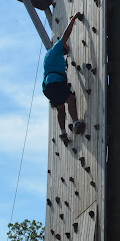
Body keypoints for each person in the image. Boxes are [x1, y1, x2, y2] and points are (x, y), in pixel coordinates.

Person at [42, 12, 86, 143]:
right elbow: (66, 35)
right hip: (56, 83)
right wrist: (73, 19)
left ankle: (63, 134)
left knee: (61, 108)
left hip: (47, 87)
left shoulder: (48, 56)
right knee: (71, 99)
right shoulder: (56, 49)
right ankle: (77, 122)